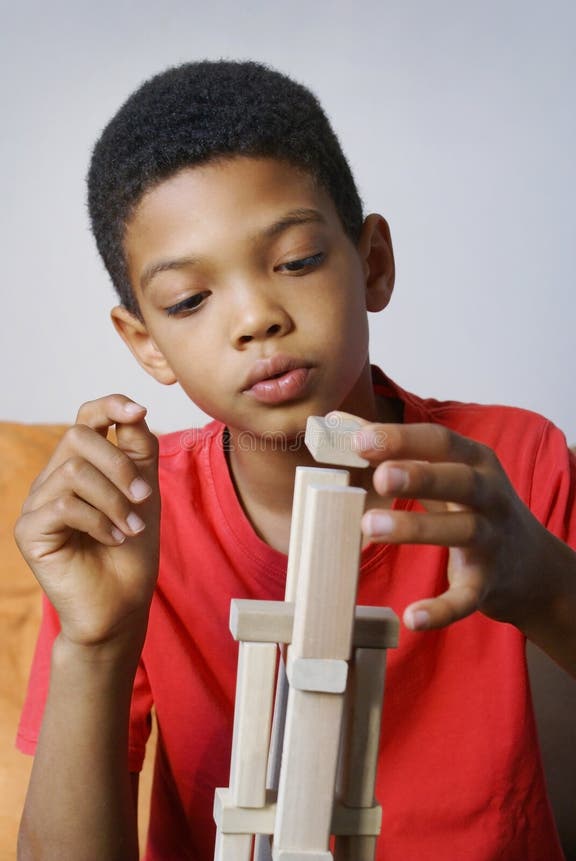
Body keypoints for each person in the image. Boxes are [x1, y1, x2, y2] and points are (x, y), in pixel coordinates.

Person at [14, 60, 576, 861]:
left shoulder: (514, 465)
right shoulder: (131, 519)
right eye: (188, 300)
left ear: (372, 261)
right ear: (147, 342)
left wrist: (550, 583)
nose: (255, 317)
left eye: (298, 260)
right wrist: (95, 640)